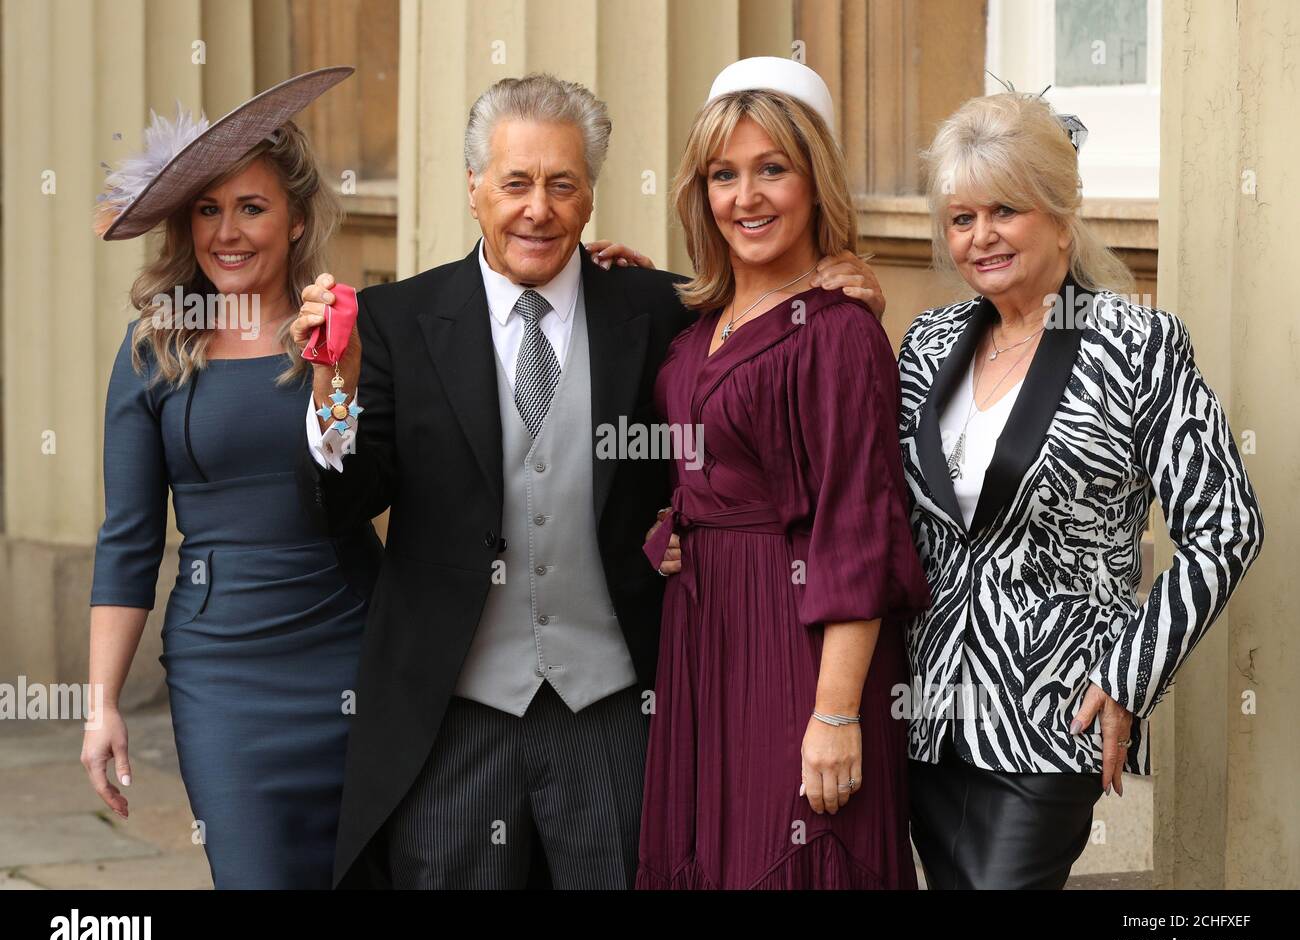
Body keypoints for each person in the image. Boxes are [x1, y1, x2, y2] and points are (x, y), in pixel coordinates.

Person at [291, 71, 881, 888]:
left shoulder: (666, 312)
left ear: (591, 195)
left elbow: (754, 390)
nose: (539, 207)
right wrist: (333, 386)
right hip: (454, 718)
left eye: (563, 184)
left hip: (616, 710)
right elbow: (344, 503)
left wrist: (847, 284)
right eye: (516, 182)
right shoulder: (396, 321)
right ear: (473, 189)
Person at [897, 90, 1264, 888]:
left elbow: (1227, 527)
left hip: (1052, 713)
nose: (981, 237)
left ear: (1061, 216)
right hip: (927, 715)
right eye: (961, 218)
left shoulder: (1138, 344)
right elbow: (878, 504)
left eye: (1006, 210)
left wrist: (1130, 671)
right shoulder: (926, 345)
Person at [82, 68, 383, 888]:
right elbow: (129, 540)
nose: (228, 232)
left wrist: (336, 371)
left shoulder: (347, 330)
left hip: (352, 652)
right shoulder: (153, 350)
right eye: (208, 211)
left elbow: (362, 470)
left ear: (293, 219)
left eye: (251, 207)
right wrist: (101, 702)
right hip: (224, 673)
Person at [637, 58, 931, 889]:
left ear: (815, 182)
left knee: (795, 857)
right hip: (703, 642)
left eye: (773, 169)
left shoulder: (838, 333)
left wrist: (834, 714)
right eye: (724, 175)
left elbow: (858, 532)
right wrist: (673, 530)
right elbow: (711, 464)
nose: (747, 196)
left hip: (798, 649)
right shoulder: (699, 329)